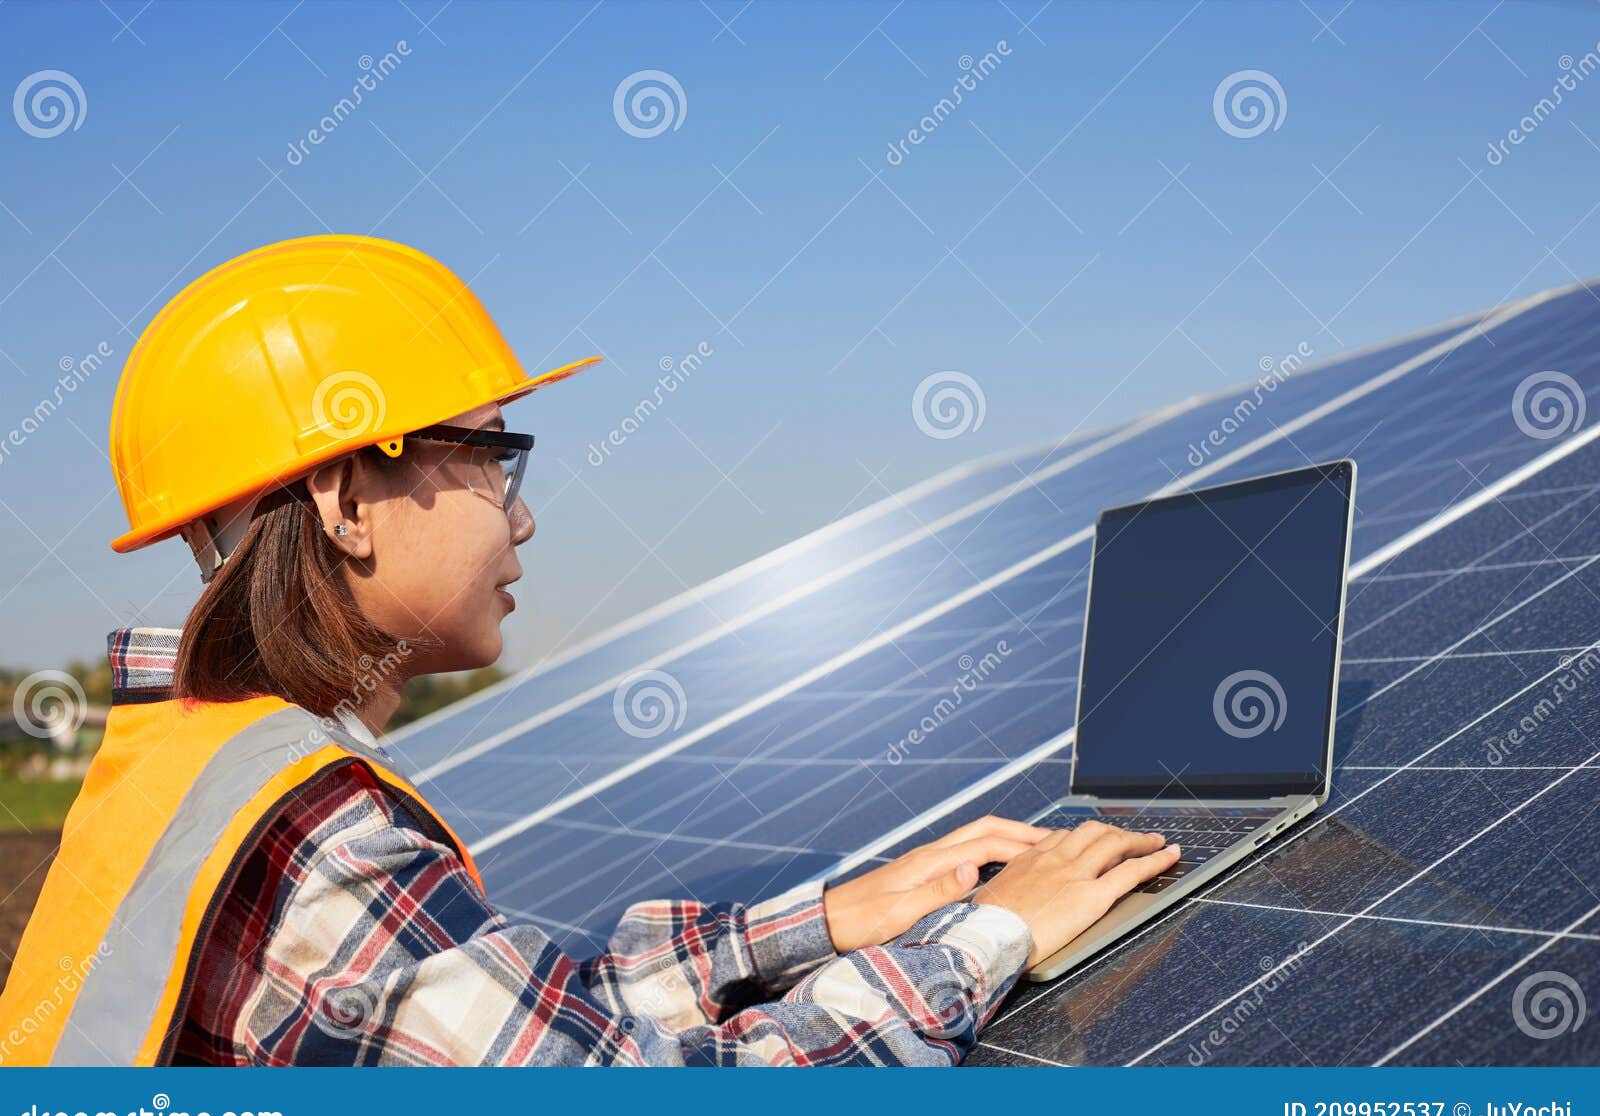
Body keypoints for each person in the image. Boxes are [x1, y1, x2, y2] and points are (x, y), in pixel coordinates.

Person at [0, 234, 1179, 1067]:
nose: (520, 518)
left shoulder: (201, 767)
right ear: (346, 500)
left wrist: (823, 919)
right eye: (492, 456)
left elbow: (525, 1028)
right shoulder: (322, 846)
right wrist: (991, 934)